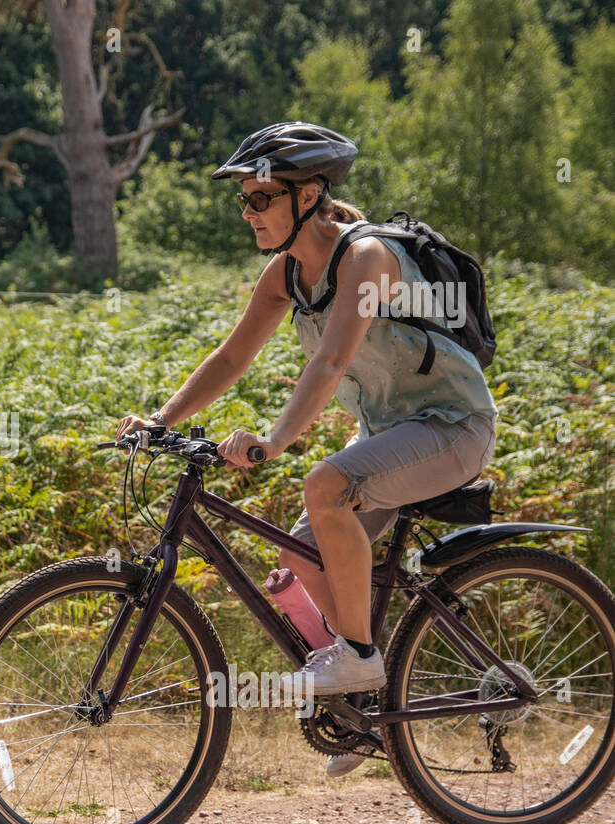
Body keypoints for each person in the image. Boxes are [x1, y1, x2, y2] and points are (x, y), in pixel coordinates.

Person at [115, 121, 498, 776]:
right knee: (298, 557)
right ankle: (366, 697)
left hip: (453, 427)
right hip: (388, 434)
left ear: (310, 194)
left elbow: (329, 363)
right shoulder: (287, 274)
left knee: (323, 485)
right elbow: (233, 355)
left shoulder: (368, 257)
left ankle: (358, 662)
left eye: (259, 197)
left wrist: (271, 442)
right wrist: (160, 418)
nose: (248, 211)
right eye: (244, 201)